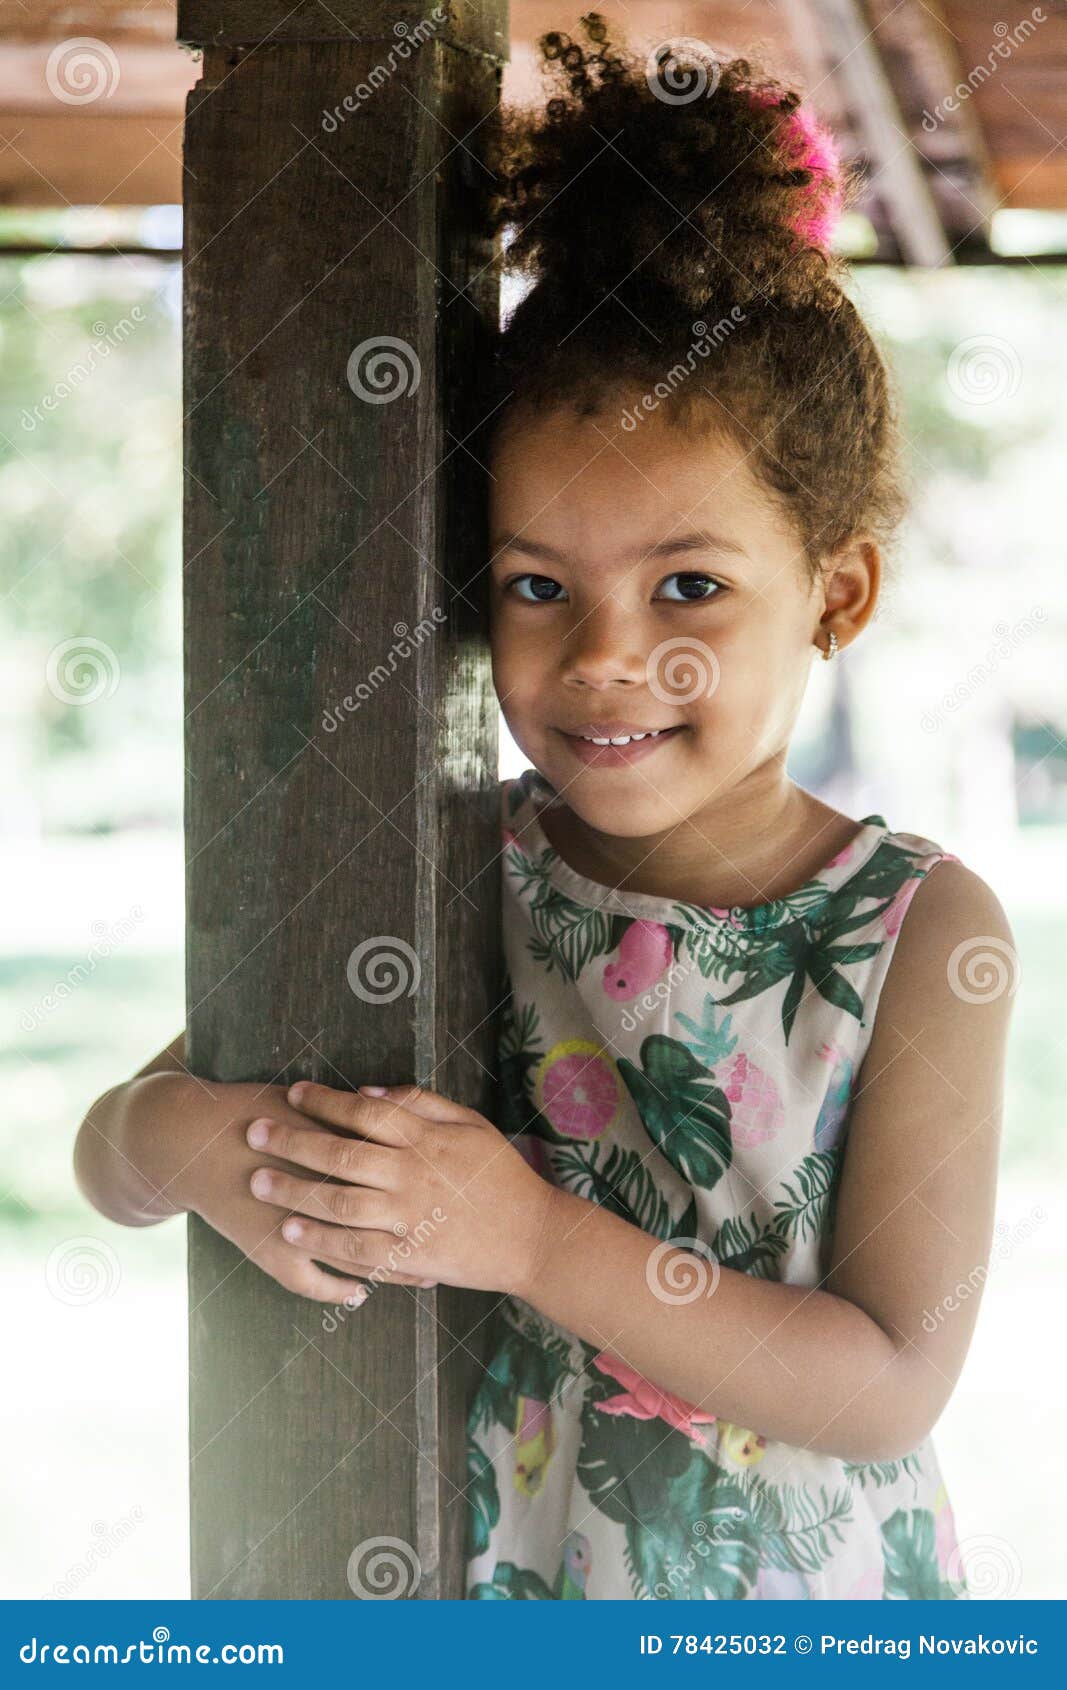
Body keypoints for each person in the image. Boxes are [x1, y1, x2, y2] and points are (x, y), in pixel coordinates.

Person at [74, 21, 1015, 1601]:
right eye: (534, 585)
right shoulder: (458, 863)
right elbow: (114, 1147)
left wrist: (522, 1239)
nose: (602, 658)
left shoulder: (917, 931)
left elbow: (888, 1380)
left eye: (690, 586)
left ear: (838, 593)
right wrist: (184, 1145)